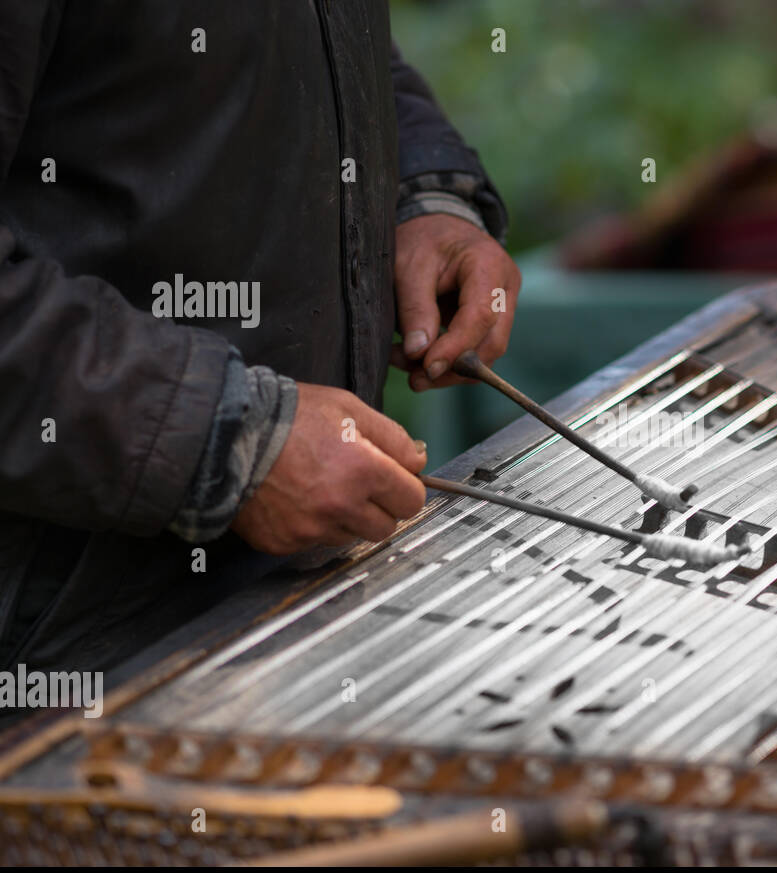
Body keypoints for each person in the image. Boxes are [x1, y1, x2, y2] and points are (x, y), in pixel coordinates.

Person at [0, 4, 521, 676]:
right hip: (57, 659)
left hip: (292, 606)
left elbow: (324, 45)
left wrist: (423, 197)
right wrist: (226, 439)